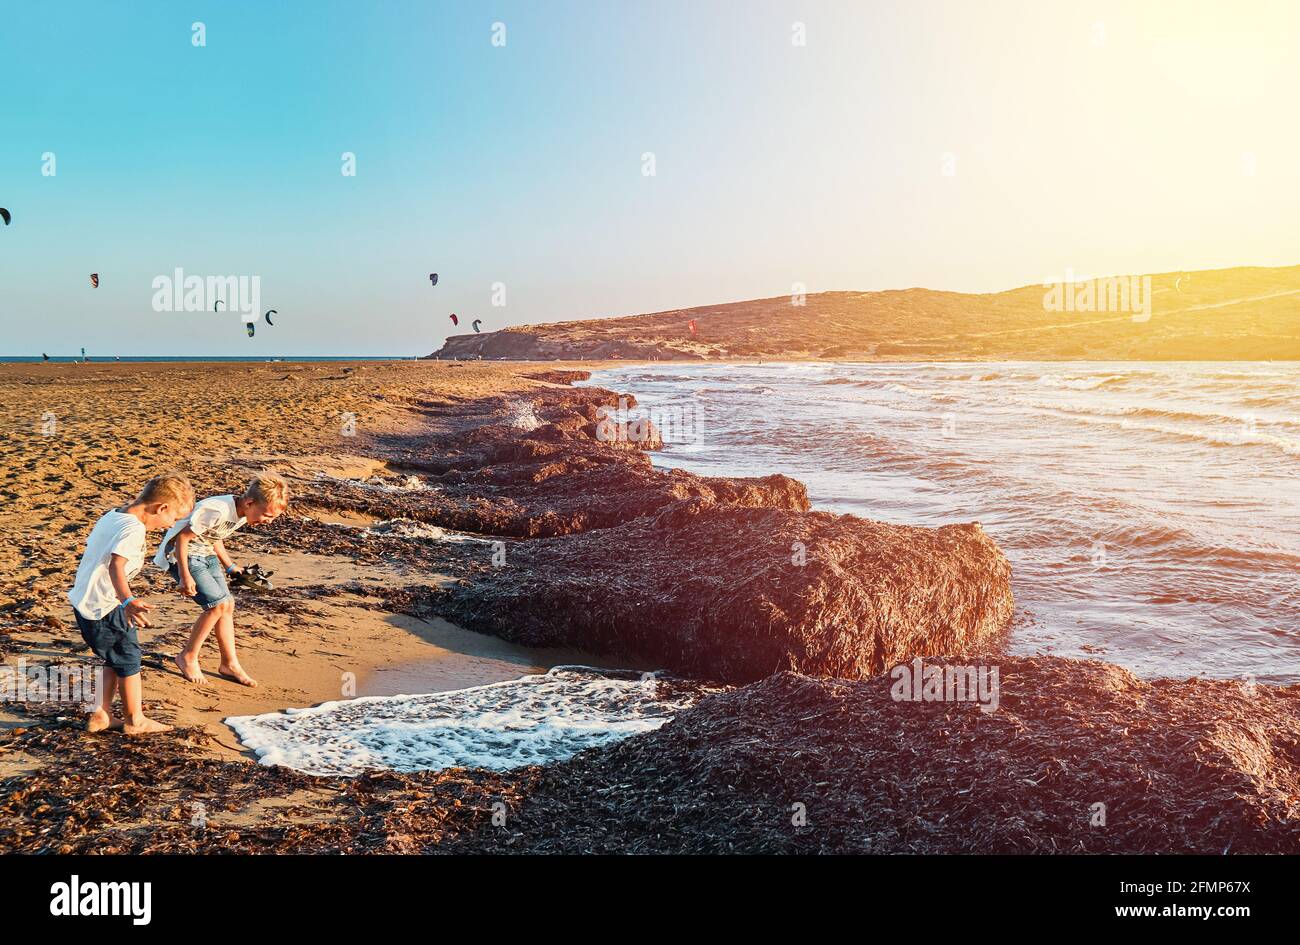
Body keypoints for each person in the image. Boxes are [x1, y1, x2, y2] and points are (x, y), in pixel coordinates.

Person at [68, 473, 195, 734]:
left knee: (114, 659)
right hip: (107, 607)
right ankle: (135, 720)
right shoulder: (134, 529)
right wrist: (128, 600)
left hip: (86, 602)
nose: (169, 525)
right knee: (129, 661)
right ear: (161, 508)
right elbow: (117, 564)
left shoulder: (113, 515)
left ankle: (101, 714)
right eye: (172, 519)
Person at [154, 472, 290, 686]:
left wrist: (231, 566)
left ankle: (229, 663)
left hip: (206, 554)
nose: (268, 522)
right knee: (216, 606)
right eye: (267, 515)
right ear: (250, 502)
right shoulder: (217, 510)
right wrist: (183, 575)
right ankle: (187, 656)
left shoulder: (241, 512)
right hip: (184, 556)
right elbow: (182, 538)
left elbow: (215, 537)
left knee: (228, 605)